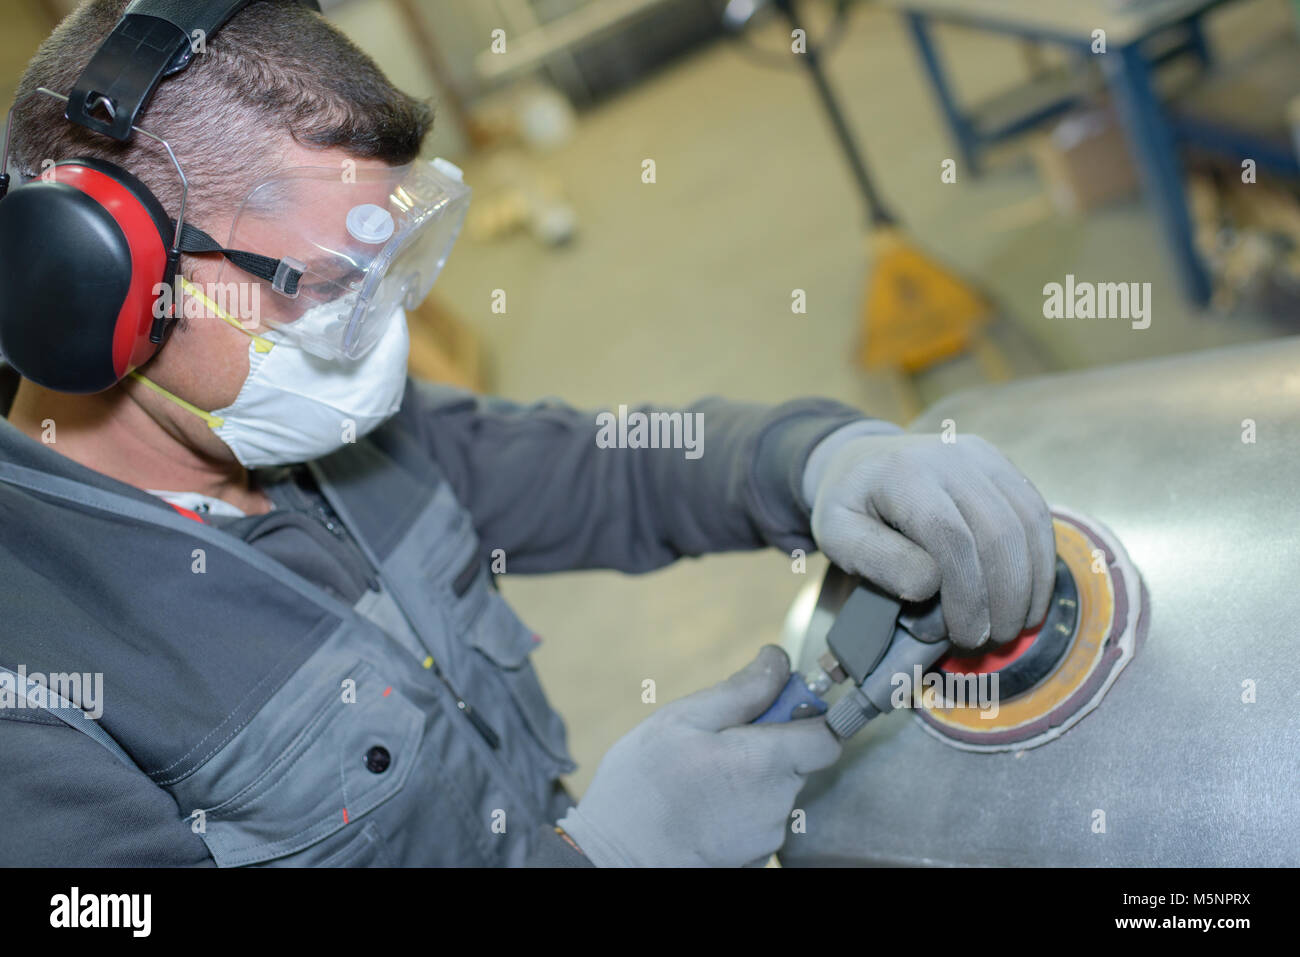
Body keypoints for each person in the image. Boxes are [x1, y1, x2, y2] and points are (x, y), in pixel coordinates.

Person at [0, 0, 1055, 867]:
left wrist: (819, 458)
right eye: (322, 287)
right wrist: (605, 857)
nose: (375, 337)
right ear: (91, 285)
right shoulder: (32, 701)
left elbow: (608, 472)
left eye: (383, 275)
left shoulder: (294, 433)